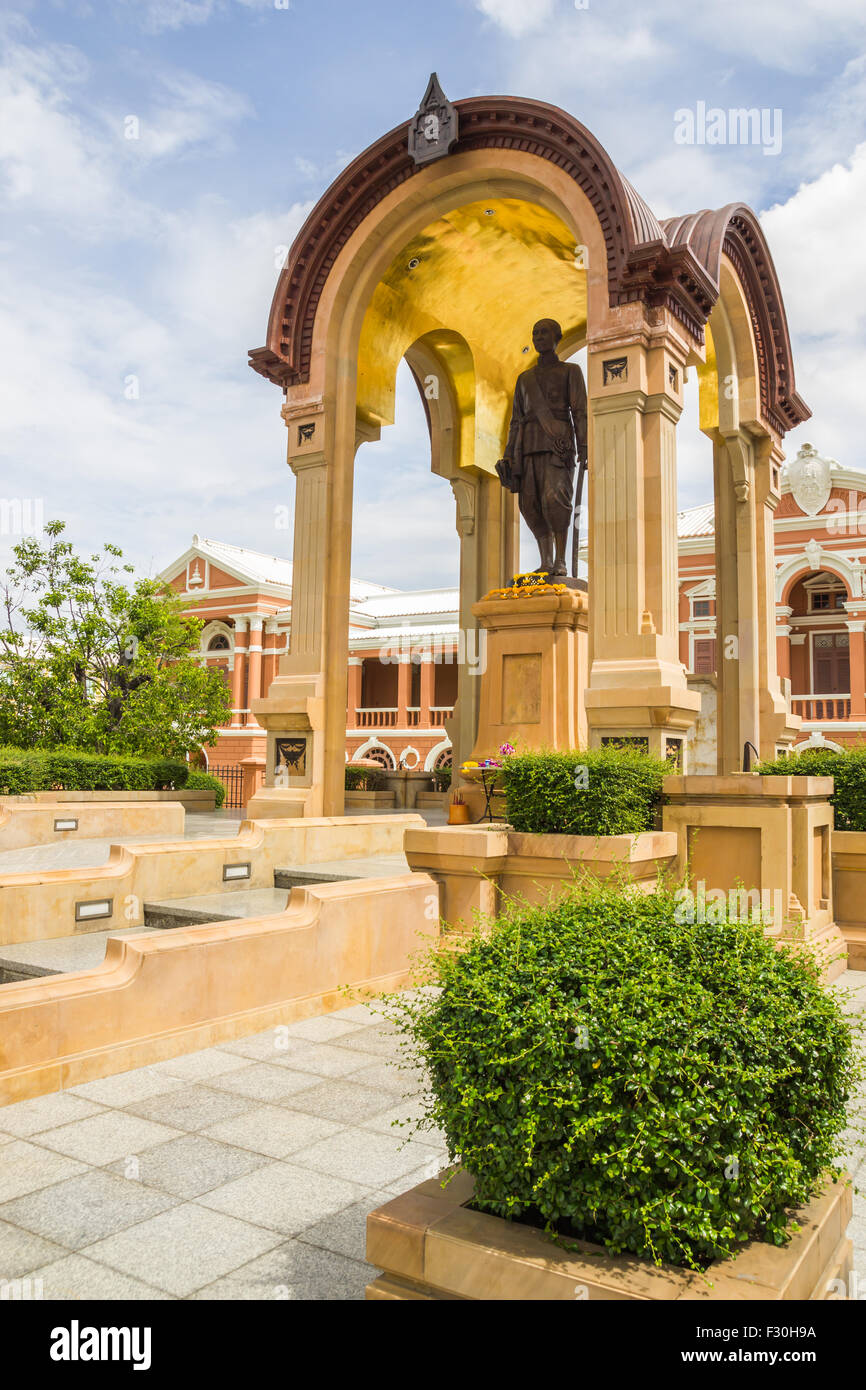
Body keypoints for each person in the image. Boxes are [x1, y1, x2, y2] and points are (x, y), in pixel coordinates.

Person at [496, 318, 588, 578]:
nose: (538, 337)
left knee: (555, 499)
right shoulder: (524, 380)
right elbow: (515, 421)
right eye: (535, 333)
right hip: (527, 448)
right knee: (530, 504)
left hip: (558, 446)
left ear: (557, 337)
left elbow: (580, 411)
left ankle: (560, 561)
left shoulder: (570, 371)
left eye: (544, 332)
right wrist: (509, 456)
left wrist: (585, 446)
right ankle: (545, 561)